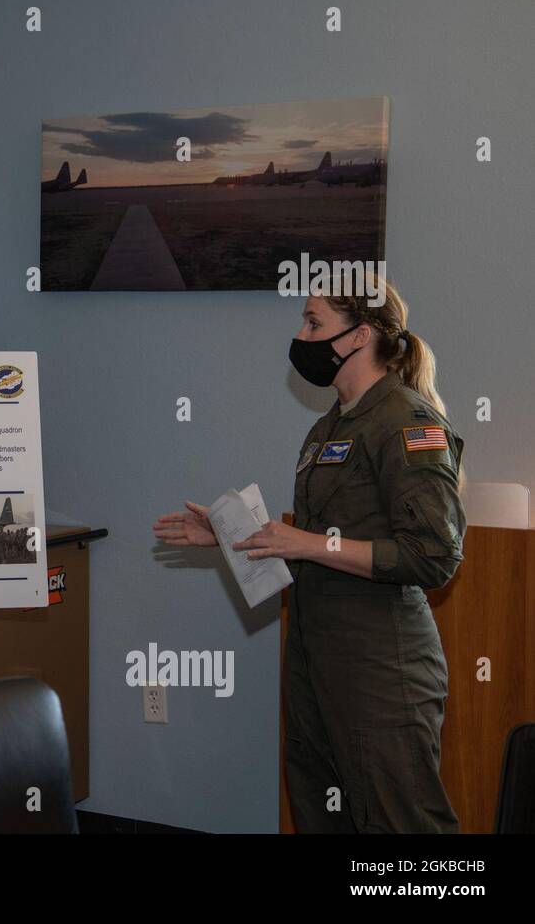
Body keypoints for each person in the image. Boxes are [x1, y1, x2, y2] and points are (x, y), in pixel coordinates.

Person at [154, 277, 464, 833]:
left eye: (314, 324)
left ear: (360, 335)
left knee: (405, 830)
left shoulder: (408, 421)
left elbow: (435, 556)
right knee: (321, 815)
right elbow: (318, 550)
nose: (302, 336)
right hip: (314, 660)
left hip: (379, 667)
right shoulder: (326, 429)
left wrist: (311, 542)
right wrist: (231, 538)